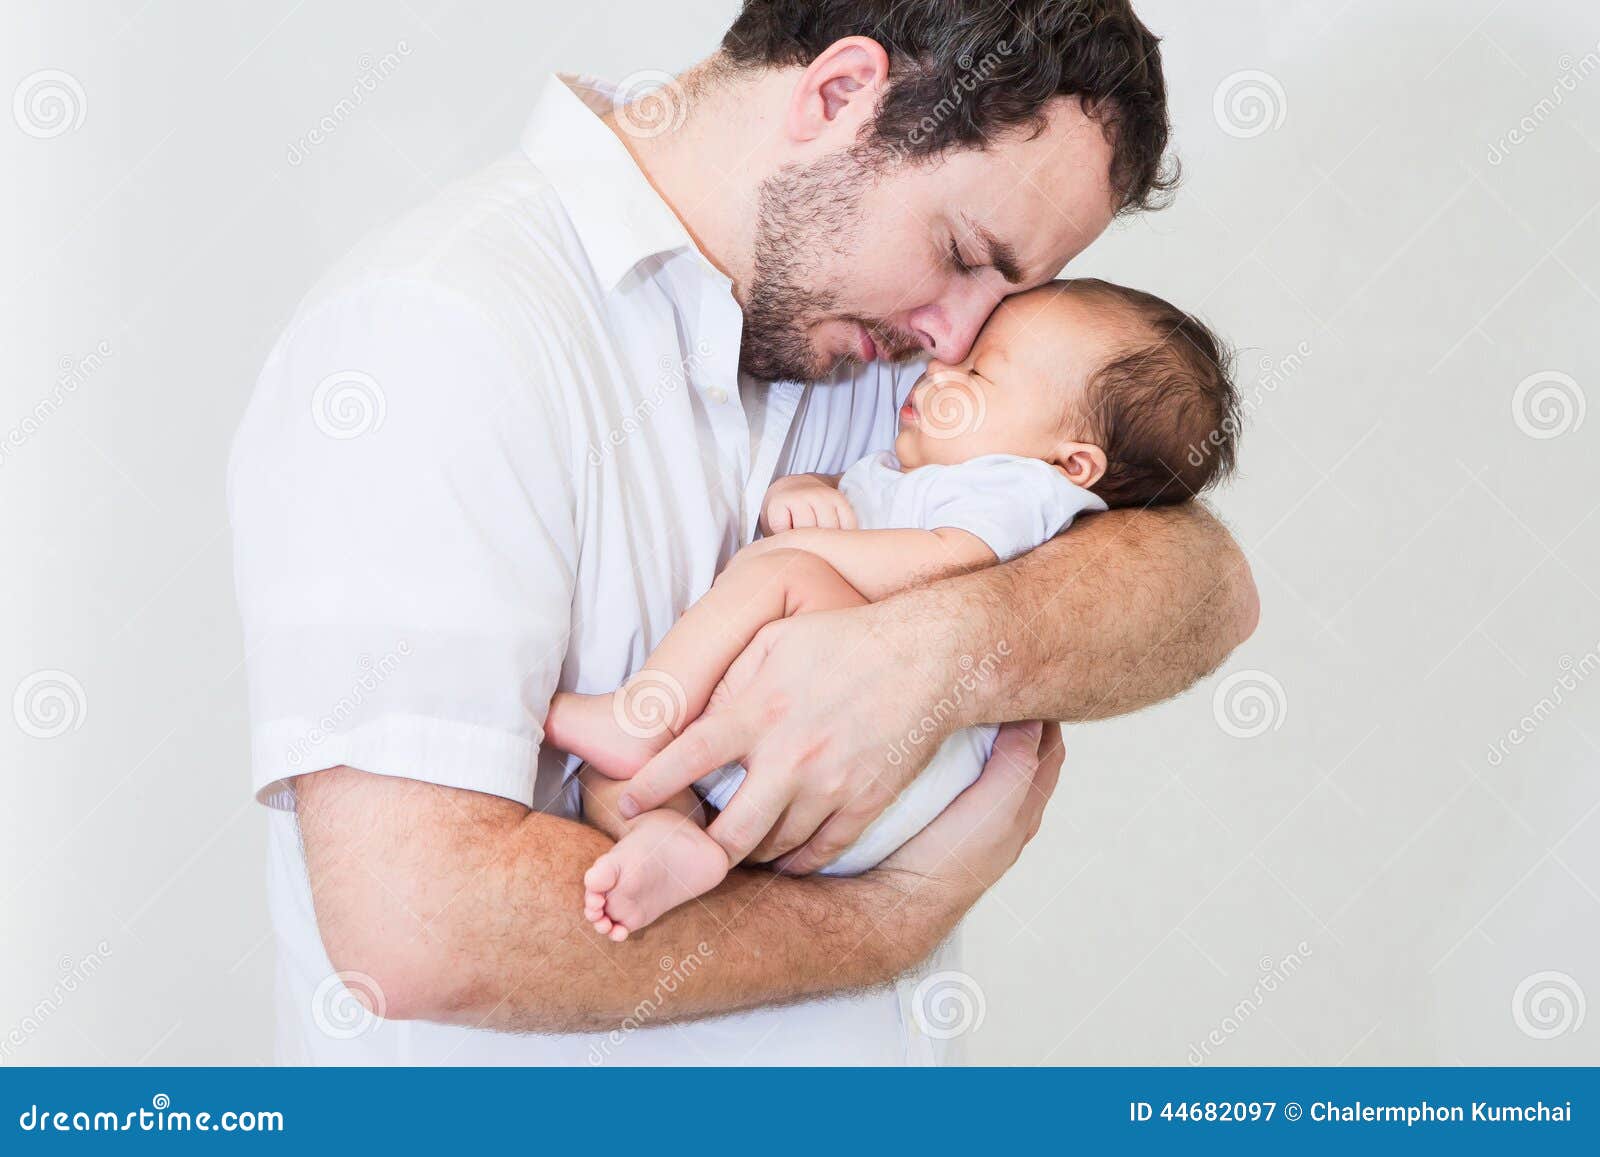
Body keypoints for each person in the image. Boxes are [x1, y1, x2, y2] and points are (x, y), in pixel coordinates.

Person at [229, 0, 1258, 1064]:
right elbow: (418, 931)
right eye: (959, 251)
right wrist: (884, 923)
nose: (958, 337)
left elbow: (1207, 580)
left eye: (1009, 290)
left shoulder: (900, 351)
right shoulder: (439, 333)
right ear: (838, 93)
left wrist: (931, 656)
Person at [553, 278, 1241, 938]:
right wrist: (802, 488)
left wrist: (806, 541)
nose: (940, 372)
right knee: (619, 787)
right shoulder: (932, 469)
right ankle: (665, 836)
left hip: (891, 764)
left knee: (781, 569)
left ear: (1072, 464)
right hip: (813, 774)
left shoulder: (1019, 486)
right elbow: (874, 507)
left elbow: (949, 559)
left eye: (978, 376)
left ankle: (641, 711)